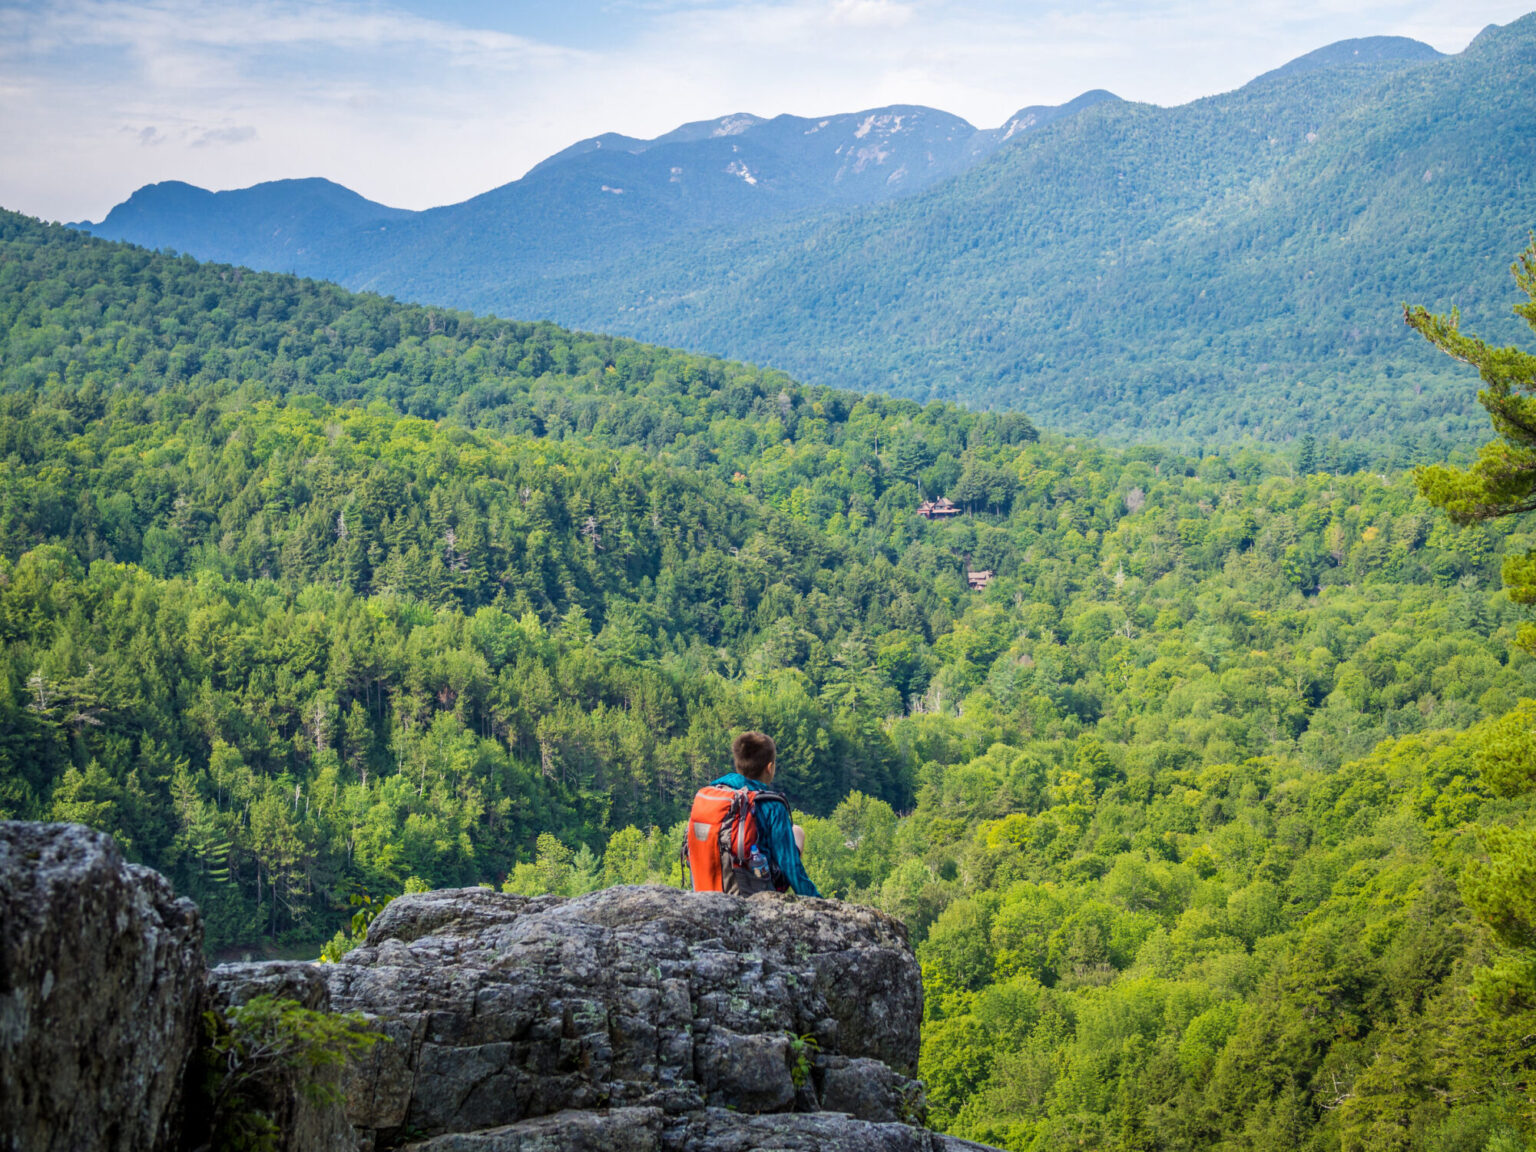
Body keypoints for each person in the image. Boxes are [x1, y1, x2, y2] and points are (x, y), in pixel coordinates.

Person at [685, 731, 820, 897]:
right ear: (769, 768)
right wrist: (818, 902)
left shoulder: (714, 792)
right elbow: (790, 866)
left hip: (707, 887)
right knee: (797, 832)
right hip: (752, 891)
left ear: (738, 764)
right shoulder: (772, 805)